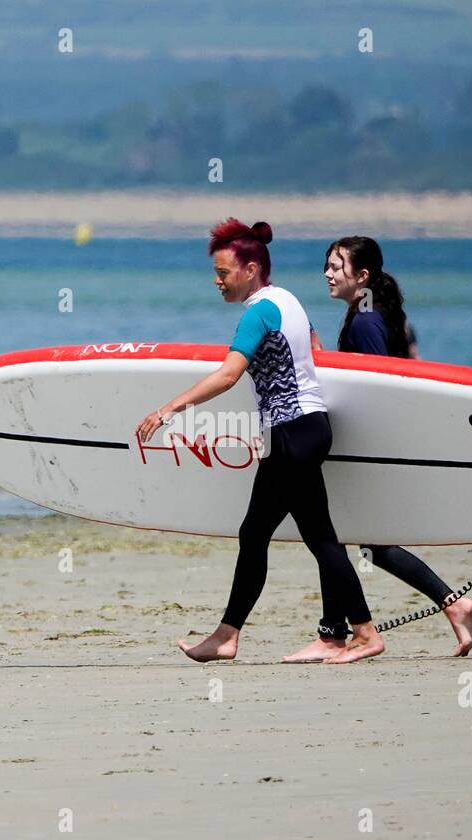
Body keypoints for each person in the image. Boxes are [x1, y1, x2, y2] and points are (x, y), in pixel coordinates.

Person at [135, 218, 382, 664]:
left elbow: (229, 374)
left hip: (292, 433)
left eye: (223, 273)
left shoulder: (258, 312)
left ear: (250, 269)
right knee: (257, 533)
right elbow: (318, 355)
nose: (217, 281)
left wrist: (166, 410)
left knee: (321, 539)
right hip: (305, 429)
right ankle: (227, 636)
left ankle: (365, 634)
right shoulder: (289, 301)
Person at [314, 236, 472, 659]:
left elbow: (377, 388)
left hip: (371, 448)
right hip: (379, 445)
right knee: (359, 540)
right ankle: (450, 606)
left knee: (340, 536)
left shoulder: (366, 322)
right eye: (328, 266)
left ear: (362, 275)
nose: (328, 273)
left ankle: (339, 634)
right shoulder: (377, 313)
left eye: (336, 266)